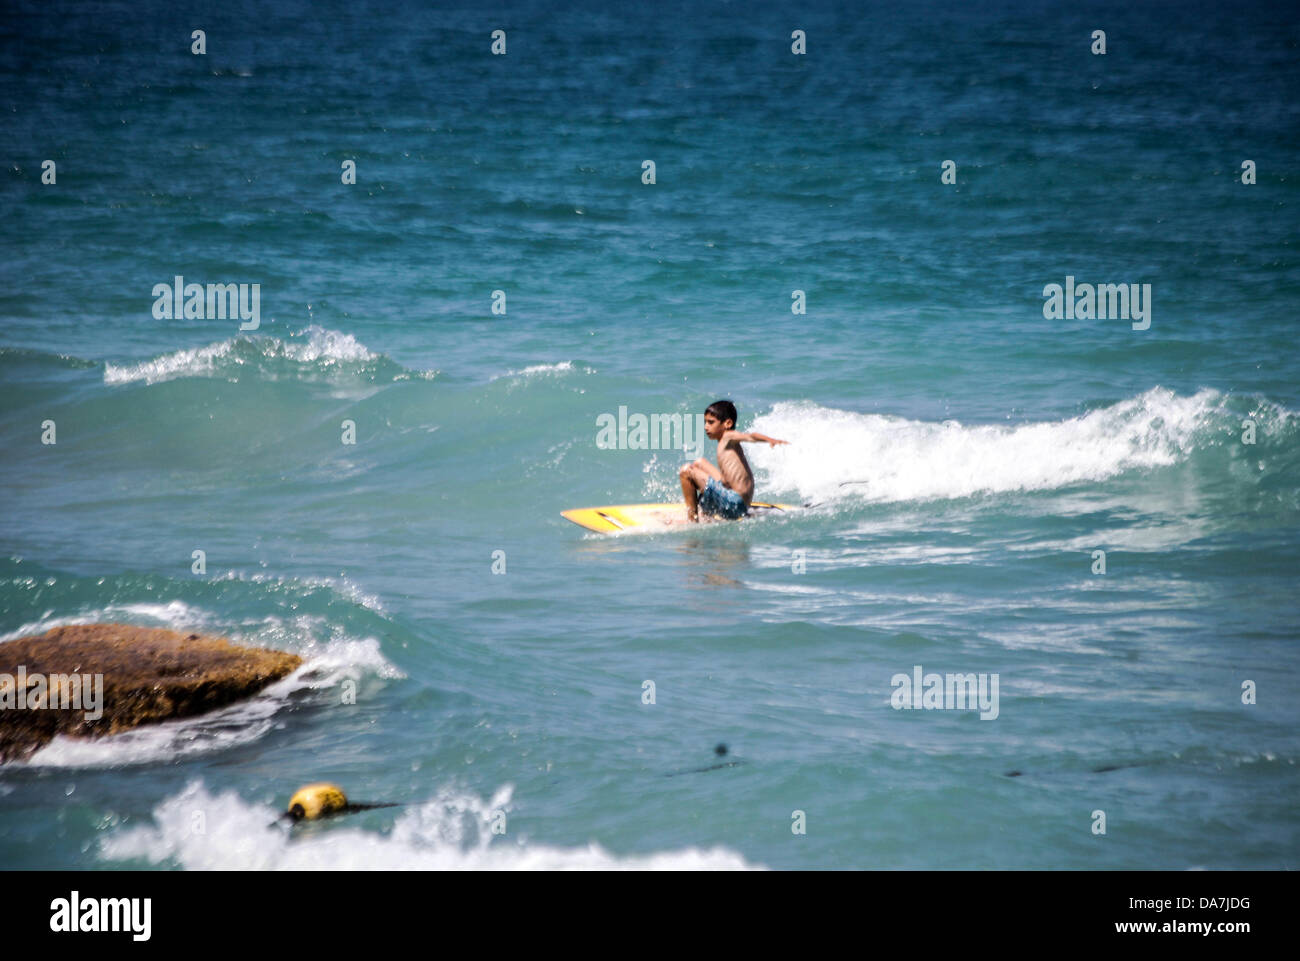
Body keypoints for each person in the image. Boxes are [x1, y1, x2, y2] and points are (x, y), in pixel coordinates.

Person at [679, 400, 788, 522]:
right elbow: (726, 480)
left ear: (728, 423)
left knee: (686, 471)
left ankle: (692, 520)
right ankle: (705, 513)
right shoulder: (724, 441)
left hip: (734, 504)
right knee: (699, 463)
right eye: (705, 422)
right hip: (737, 501)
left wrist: (770, 440)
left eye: (711, 422)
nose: (706, 427)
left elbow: (751, 436)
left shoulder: (728, 436)